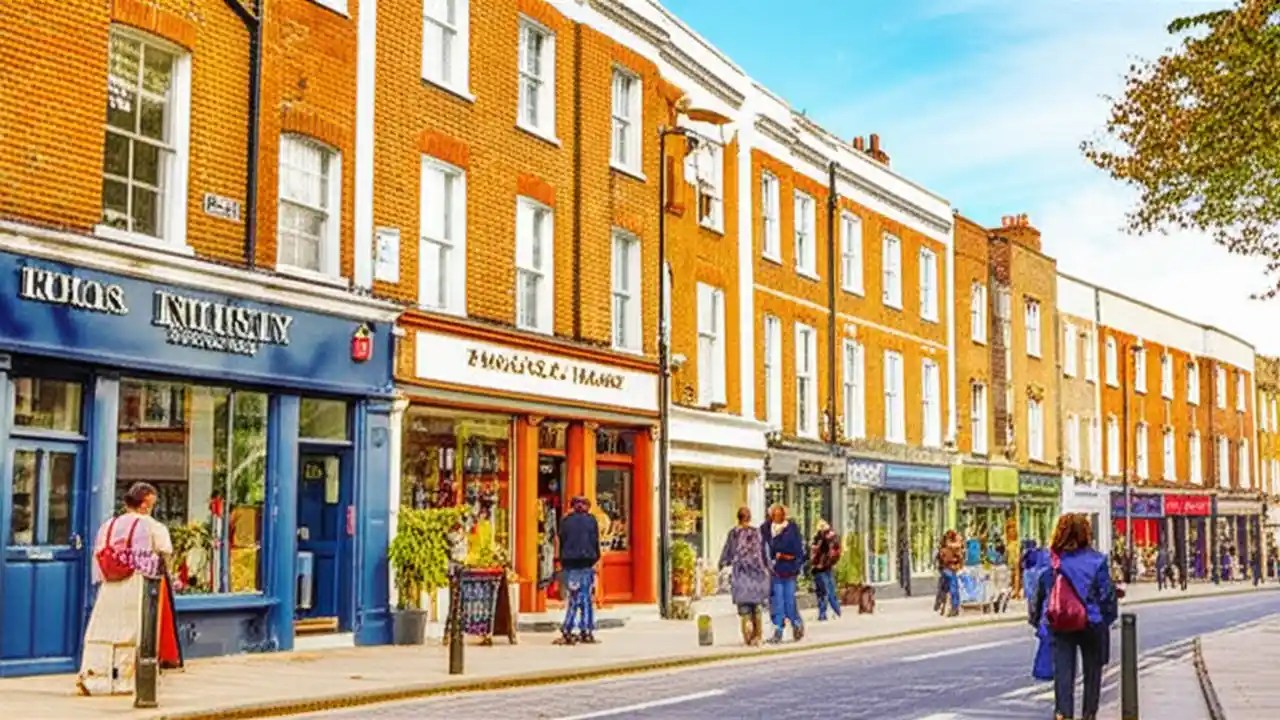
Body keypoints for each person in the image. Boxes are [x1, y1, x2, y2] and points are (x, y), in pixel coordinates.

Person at [78, 482, 172, 696]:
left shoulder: (108, 525)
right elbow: (165, 551)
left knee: (103, 628)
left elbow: (98, 553)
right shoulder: (152, 526)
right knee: (131, 631)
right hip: (137, 583)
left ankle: (94, 677)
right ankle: (125, 681)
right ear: (145, 504)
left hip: (109, 585)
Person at [1030, 513, 1118, 720]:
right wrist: (1106, 619)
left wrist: (1039, 622)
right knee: (1093, 673)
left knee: (1063, 674)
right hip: (1091, 622)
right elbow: (1107, 595)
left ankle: (1063, 714)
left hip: (1060, 622)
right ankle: (1089, 714)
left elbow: (1039, 596)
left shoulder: (1052, 561)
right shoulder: (1097, 560)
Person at [718, 506, 770, 645]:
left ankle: (747, 631)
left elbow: (728, 551)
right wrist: (768, 568)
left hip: (740, 573)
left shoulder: (734, 533)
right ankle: (758, 636)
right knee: (756, 606)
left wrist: (722, 565)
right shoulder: (757, 533)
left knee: (744, 606)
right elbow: (764, 553)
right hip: (757, 574)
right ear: (750, 517)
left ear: (738, 518)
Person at [556, 496, 600, 645]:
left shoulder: (566, 521)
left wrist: (562, 560)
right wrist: (594, 559)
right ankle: (586, 630)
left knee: (574, 598)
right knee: (586, 598)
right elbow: (595, 542)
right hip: (586, 563)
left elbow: (562, 541)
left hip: (570, 564)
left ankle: (568, 629)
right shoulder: (591, 521)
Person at [760, 503, 805, 643]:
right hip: (774, 571)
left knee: (789, 601)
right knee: (777, 602)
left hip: (789, 570)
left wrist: (794, 564)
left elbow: (799, 551)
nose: (776, 517)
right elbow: (763, 548)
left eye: (779, 515)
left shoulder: (791, 529)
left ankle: (796, 624)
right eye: (773, 515)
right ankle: (778, 630)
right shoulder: (766, 529)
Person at [1024, 547, 1054, 682]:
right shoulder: (1062, 571)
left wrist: (1034, 618)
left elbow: (1036, 598)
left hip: (1047, 615)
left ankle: (1044, 670)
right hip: (1064, 615)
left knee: (1046, 644)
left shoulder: (1042, 574)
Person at [809, 519, 843, 621]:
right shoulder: (829, 537)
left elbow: (827, 552)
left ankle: (825, 613)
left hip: (821, 567)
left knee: (824, 591)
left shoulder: (825, 538)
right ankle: (835, 612)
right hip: (823, 567)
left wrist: (819, 561)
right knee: (828, 590)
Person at [938, 530, 964, 617]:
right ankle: (952, 607)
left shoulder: (948, 548)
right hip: (949, 570)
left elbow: (944, 559)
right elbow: (958, 558)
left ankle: (951, 607)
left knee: (950, 589)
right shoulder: (951, 548)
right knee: (951, 589)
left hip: (949, 570)